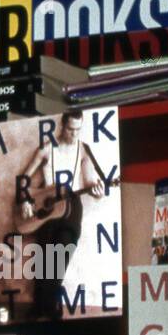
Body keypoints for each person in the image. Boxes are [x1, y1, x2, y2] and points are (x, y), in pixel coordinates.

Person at [16, 110, 106, 319]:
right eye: (70, 129)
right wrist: (25, 199)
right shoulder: (46, 149)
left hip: (72, 205)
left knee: (61, 253)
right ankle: (42, 307)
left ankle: (48, 306)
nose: (74, 134)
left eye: (78, 130)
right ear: (62, 126)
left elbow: (91, 180)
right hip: (48, 206)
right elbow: (24, 178)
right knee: (44, 257)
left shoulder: (83, 150)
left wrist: (97, 191)